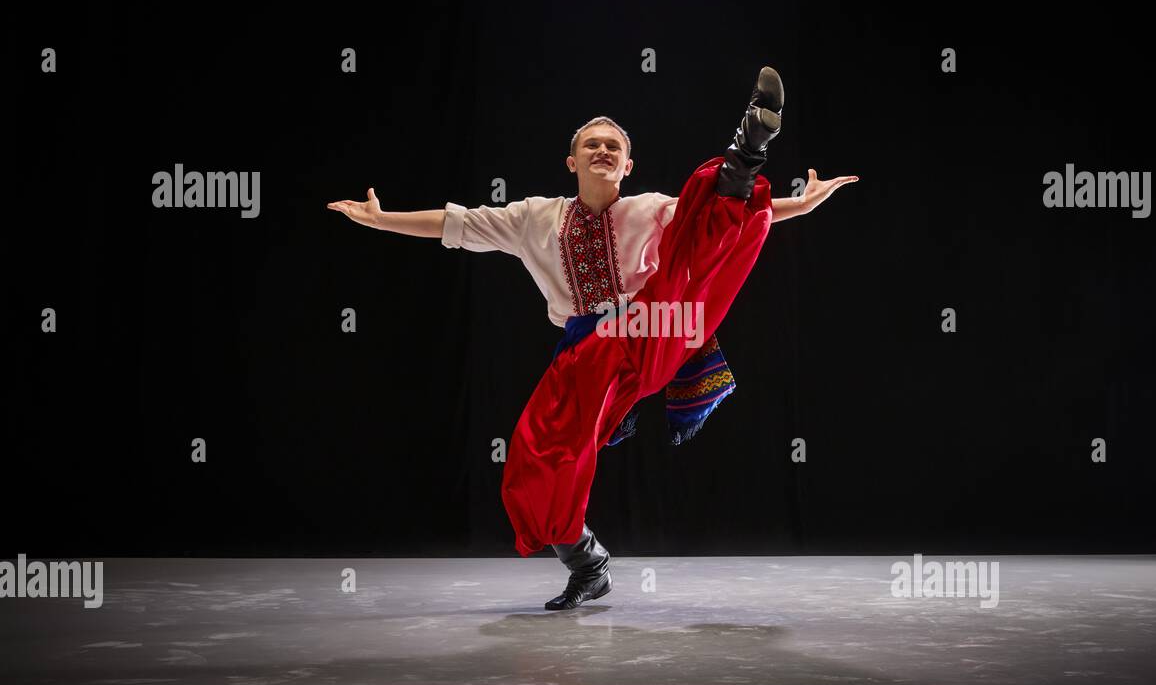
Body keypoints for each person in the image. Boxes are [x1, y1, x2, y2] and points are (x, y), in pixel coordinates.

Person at [328, 67, 857, 610]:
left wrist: (799, 205)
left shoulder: (647, 208)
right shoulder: (534, 218)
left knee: (687, 246)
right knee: (533, 465)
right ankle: (587, 562)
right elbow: (455, 225)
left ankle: (746, 151)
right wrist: (382, 220)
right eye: (591, 144)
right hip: (583, 358)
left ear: (627, 165)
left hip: (654, 325)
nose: (602, 150)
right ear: (572, 161)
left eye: (613, 146)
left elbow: (723, 226)